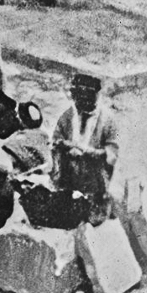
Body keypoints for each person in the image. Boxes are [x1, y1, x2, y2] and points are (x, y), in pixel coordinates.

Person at [51, 72, 118, 225]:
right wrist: (65, 146)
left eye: (87, 99)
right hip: (69, 177)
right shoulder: (68, 116)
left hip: (94, 180)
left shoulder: (107, 120)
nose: (82, 104)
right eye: (79, 99)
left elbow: (112, 154)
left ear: (95, 97)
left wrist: (91, 153)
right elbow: (55, 140)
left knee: (93, 220)